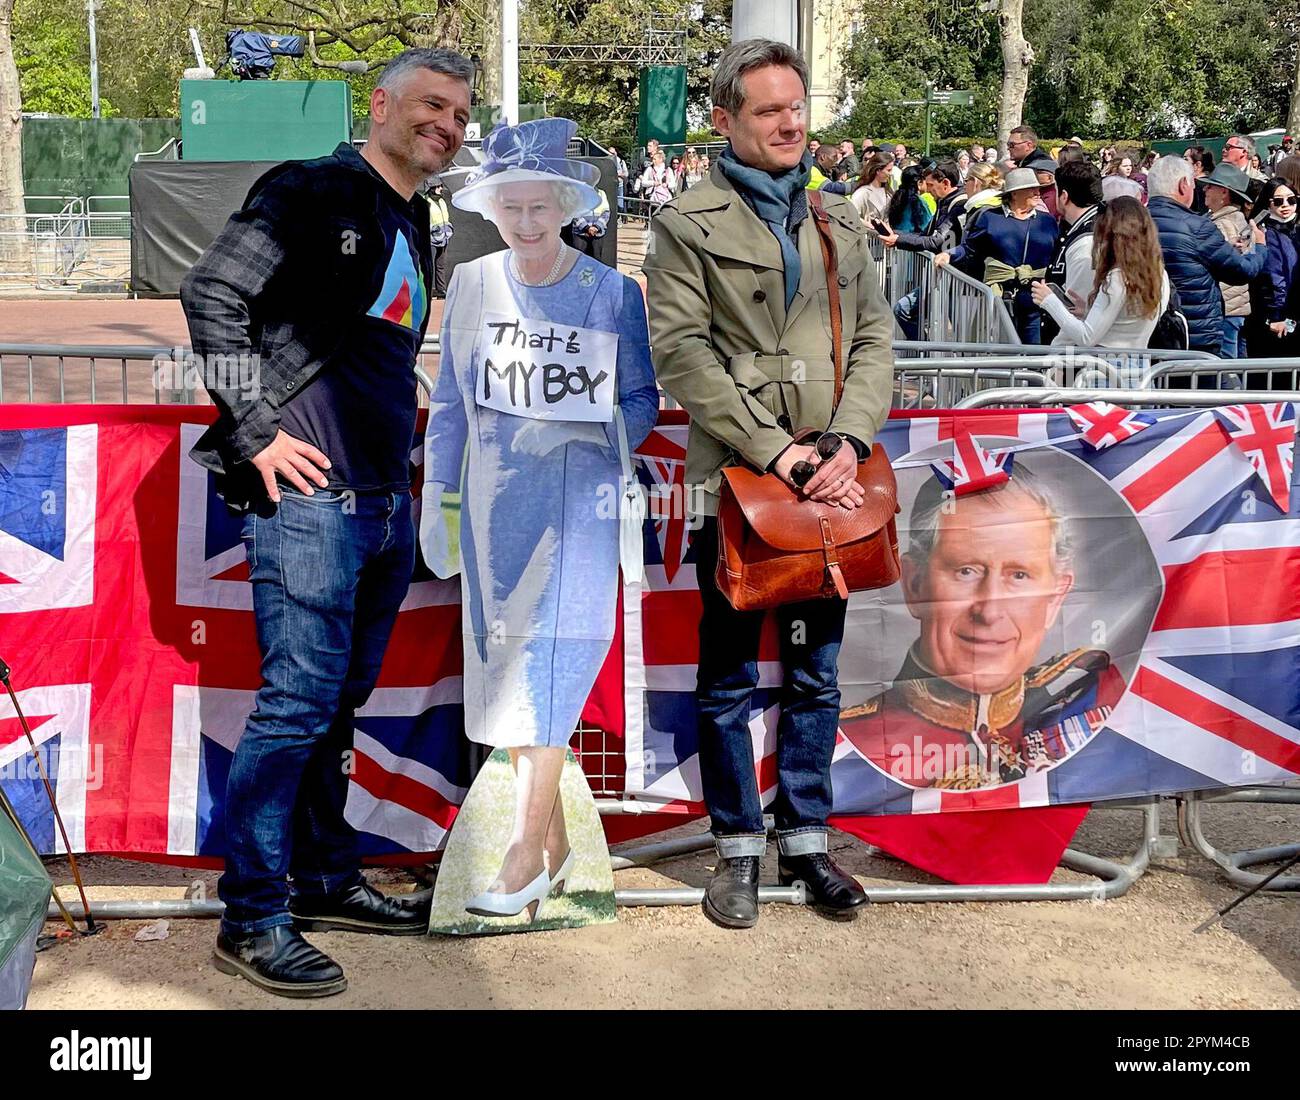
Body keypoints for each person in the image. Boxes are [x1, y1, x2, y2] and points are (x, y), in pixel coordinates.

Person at [180, 47, 474, 998]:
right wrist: (255, 431)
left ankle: (322, 877)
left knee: (335, 707)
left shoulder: (416, 215)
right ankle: (253, 917)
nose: (448, 124)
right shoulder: (309, 187)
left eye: (461, 114)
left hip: (382, 504)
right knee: (297, 707)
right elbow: (212, 293)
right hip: (309, 502)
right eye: (431, 105)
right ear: (380, 103)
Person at [643, 37, 893, 929]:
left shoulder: (840, 223)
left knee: (817, 673)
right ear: (724, 120)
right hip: (742, 485)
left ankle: (809, 840)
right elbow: (681, 352)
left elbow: (872, 343)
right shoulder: (687, 226)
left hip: (832, 481)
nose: (791, 123)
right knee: (728, 675)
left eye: (798, 107)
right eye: (769, 109)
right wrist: (775, 449)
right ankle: (736, 849)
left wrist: (849, 442)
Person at [420, 118, 659, 923]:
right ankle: (556, 854)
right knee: (510, 677)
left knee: (551, 673)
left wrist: (585, 426)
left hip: (579, 514)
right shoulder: (475, 286)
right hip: (493, 513)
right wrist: (440, 504)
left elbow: (640, 400)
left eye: (539, 206)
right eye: (511, 207)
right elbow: (449, 404)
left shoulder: (612, 293)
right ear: (493, 208)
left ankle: (521, 860)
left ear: (565, 205)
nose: (526, 222)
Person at [839, 474, 1123, 789]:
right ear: (915, 585)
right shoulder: (849, 742)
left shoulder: (1093, 699)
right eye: (966, 571)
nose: (989, 612)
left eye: (1019, 575)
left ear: (1056, 598)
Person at [1033, 197, 1170, 370]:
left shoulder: (1117, 278)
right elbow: (1129, 320)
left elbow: (1086, 338)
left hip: (1105, 374)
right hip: (1139, 369)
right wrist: (1089, 312)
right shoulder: (1160, 274)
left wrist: (1050, 301)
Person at [1147, 155, 1265, 354]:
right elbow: (1242, 271)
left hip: (1148, 334)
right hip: (1195, 335)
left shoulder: (1130, 222)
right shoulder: (1198, 226)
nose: (1200, 190)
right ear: (1184, 185)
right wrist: (1260, 247)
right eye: (1196, 184)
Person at [936, 167, 1057, 343]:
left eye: (1038, 188)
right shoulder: (989, 217)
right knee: (1003, 352)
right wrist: (949, 254)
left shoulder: (1047, 221)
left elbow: (1056, 256)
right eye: (1031, 189)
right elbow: (969, 248)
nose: (1038, 193)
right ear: (1014, 194)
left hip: (1035, 299)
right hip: (1001, 298)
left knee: (1034, 352)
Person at [878, 160, 965, 338]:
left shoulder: (957, 205)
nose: (928, 189)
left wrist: (898, 239)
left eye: (931, 185)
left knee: (961, 332)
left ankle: (926, 354)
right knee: (903, 309)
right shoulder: (943, 203)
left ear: (946, 183)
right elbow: (926, 235)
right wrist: (896, 236)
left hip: (957, 277)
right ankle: (923, 352)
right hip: (943, 276)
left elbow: (935, 240)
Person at [1040, 159, 1103, 342]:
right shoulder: (1082, 228)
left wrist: (1056, 357)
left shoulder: (1088, 242)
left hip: (1073, 354)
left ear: (1064, 196)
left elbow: (1078, 310)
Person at [1201, 163, 1256, 358]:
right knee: (1237, 367)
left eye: (1210, 186)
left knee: (1226, 372)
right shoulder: (1237, 219)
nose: (1204, 189)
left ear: (1224, 192)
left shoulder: (1221, 224)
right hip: (1236, 309)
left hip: (1226, 309)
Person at [1245, 177, 1300, 357]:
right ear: (1268, 204)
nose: (1285, 205)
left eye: (1291, 200)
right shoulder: (1261, 233)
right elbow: (1269, 278)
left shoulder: (1297, 229)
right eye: (1278, 201)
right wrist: (1274, 317)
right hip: (1269, 321)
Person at [425, 180, 454, 298]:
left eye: (441, 186)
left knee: (441, 263)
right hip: (429, 238)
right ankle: (425, 291)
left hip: (443, 237)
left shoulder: (441, 201)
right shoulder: (426, 202)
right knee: (426, 264)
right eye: (439, 186)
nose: (441, 188)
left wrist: (449, 228)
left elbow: (445, 218)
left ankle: (441, 290)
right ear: (432, 188)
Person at [850, 151, 894, 224]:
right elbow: (851, 216)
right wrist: (867, 225)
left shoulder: (888, 192)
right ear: (878, 171)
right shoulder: (861, 193)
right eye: (888, 170)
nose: (891, 173)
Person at [563, 189, 610, 256]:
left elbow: (606, 212)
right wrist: (586, 228)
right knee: (579, 261)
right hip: (580, 234)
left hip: (597, 234)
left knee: (596, 262)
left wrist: (597, 227)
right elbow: (574, 212)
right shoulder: (576, 192)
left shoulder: (601, 193)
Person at [889, 164, 932, 233]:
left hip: (896, 238)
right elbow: (928, 226)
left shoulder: (897, 197)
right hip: (912, 240)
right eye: (926, 181)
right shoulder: (919, 202)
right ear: (919, 183)